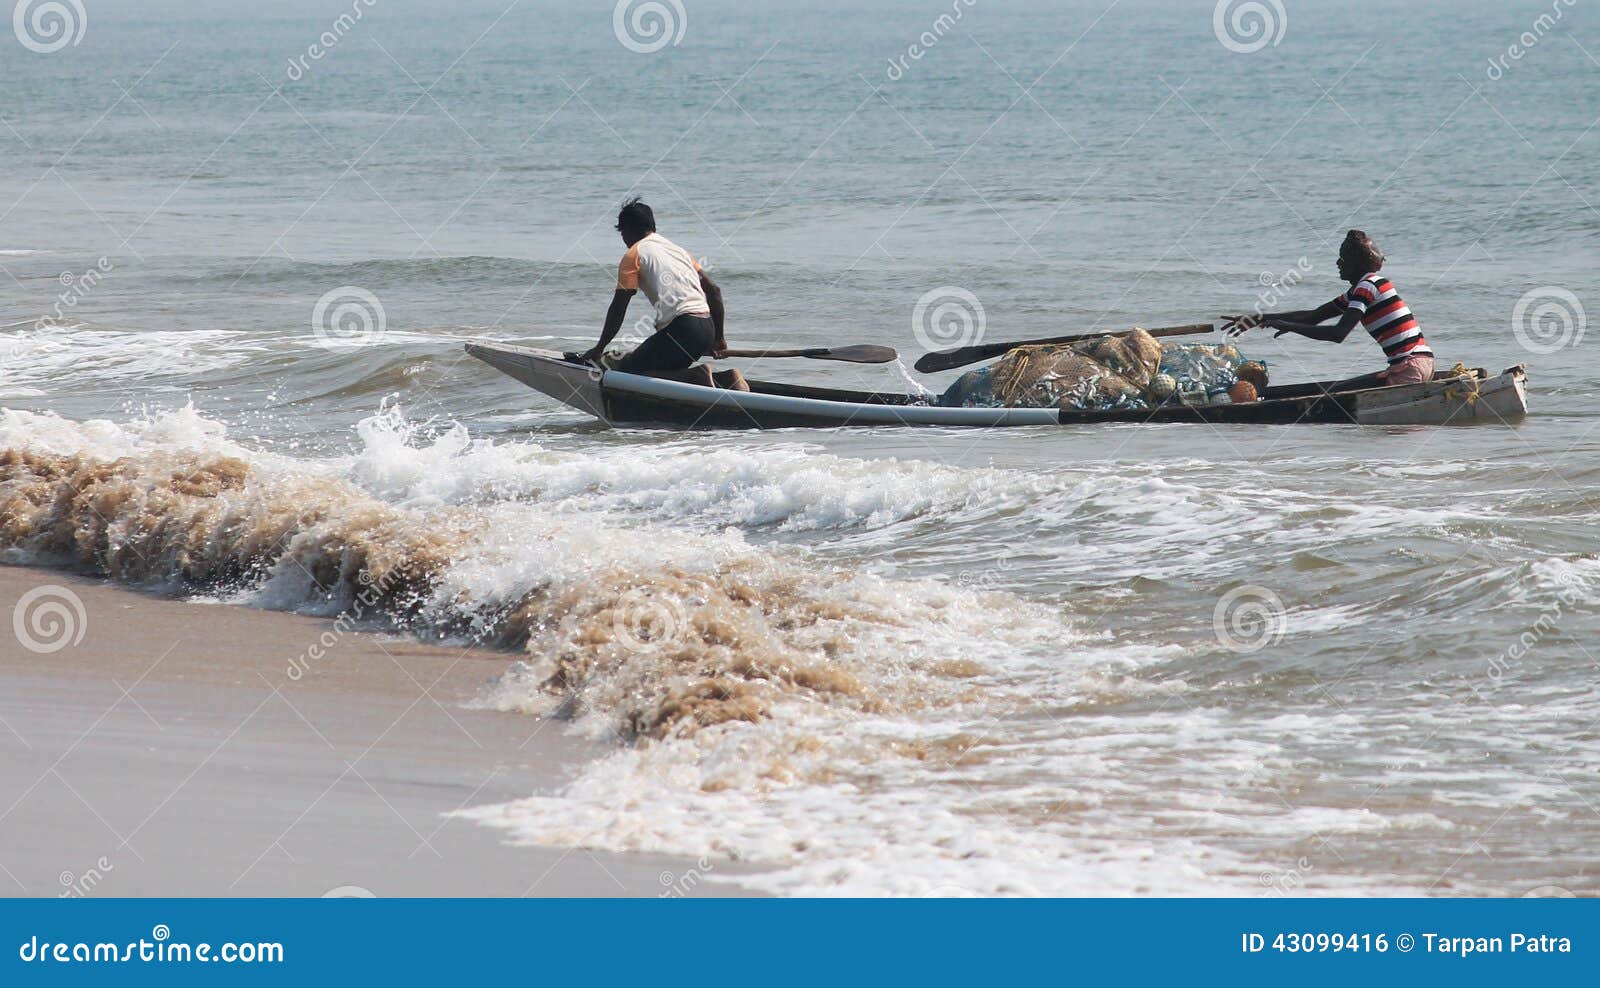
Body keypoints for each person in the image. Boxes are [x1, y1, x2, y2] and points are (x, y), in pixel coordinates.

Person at [1224, 230, 1434, 387]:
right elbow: (1315, 316)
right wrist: (1258, 319)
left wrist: (1287, 325)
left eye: (1343, 259)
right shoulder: (1368, 286)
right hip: (1422, 366)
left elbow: (1337, 334)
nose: (1337, 263)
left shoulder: (1366, 287)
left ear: (1356, 264)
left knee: (1330, 395)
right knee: (1334, 390)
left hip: (1409, 370)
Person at [579, 198, 727, 376]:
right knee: (664, 368)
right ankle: (726, 379)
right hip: (707, 328)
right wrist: (719, 338)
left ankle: (699, 376)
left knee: (629, 372)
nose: (624, 239)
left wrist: (599, 348)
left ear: (628, 229)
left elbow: (619, 306)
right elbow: (714, 291)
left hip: (683, 329)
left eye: (622, 233)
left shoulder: (634, 254)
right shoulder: (679, 251)